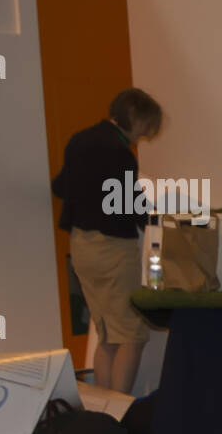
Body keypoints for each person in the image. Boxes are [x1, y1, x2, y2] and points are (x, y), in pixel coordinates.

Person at [52, 88, 162, 394]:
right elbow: (132, 205)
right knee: (132, 335)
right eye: (146, 126)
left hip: (82, 247)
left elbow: (60, 185)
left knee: (107, 335)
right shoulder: (118, 152)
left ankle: (102, 410)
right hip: (113, 249)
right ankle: (118, 410)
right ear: (135, 117)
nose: (145, 134)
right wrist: (160, 227)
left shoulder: (79, 139)